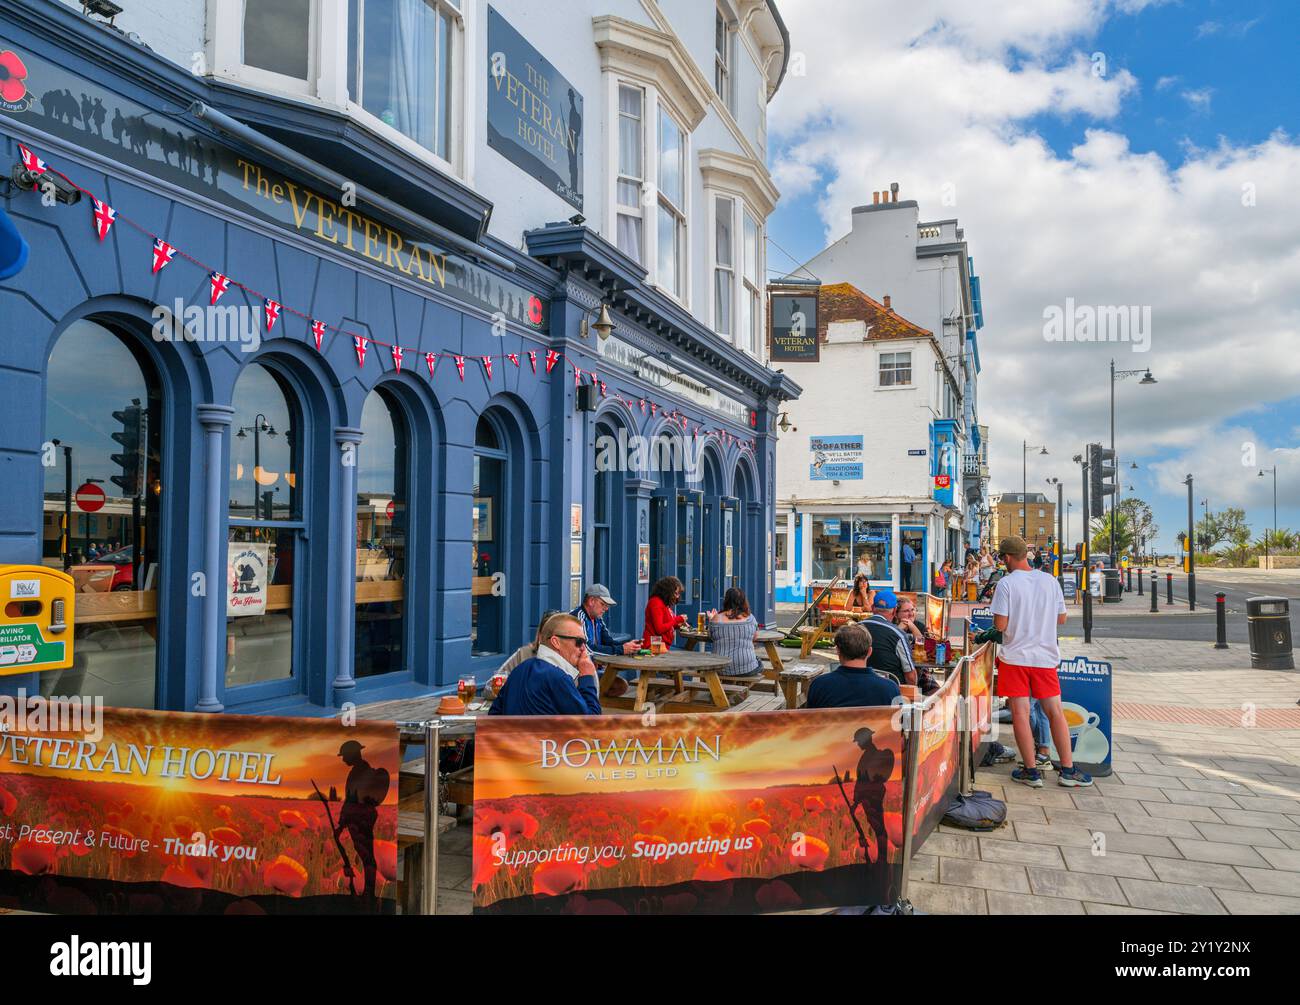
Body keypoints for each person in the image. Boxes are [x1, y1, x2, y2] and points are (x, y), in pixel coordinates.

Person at [989, 535, 1092, 788]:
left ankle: (1031, 772)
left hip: (1015, 658)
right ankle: (1068, 770)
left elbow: (1000, 625)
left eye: (1003, 558)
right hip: (1045, 657)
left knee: (1021, 714)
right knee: (1055, 712)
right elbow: (1062, 618)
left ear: (1008, 558)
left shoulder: (1006, 584)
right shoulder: (1050, 581)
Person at [489, 613, 603, 716]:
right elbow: (592, 723)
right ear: (556, 642)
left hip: (510, 739)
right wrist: (587, 676)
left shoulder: (520, 669)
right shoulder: (558, 678)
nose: (584, 648)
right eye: (579, 642)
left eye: (585, 642)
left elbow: (494, 715)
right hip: (545, 739)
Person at [806, 623, 901, 709]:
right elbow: (900, 724)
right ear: (870, 652)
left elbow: (809, 724)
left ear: (838, 650)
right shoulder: (890, 689)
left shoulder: (819, 685)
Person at [862, 590, 917, 686]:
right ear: (895, 610)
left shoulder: (855, 628)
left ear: (872, 608)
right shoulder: (898, 634)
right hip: (891, 690)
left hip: (859, 687)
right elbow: (911, 676)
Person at [572, 584, 640, 656]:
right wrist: (621, 649)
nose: (606, 609)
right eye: (603, 604)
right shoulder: (578, 618)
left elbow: (608, 641)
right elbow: (587, 649)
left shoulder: (597, 618)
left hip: (596, 664)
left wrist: (629, 646)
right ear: (591, 601)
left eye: (607, 605)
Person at [709, 587, 760, 676]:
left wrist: (711, 619)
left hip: (720, 668)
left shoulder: (716, 618)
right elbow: (755, 637)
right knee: (758, 662)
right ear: (744, 601)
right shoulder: (750, 618)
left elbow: (711, 637)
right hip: (746, 668)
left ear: (726, 600)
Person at [495, 609, 561, 677]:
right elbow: (493, 683)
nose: (554, 642)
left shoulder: (569, 660)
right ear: (540, 636)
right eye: (548, 636)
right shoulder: (524, 654)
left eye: (558, 637)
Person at [643, 575, 689, 649]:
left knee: (687, 652)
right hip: (653, 646)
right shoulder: (656, 603)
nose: (677, 597)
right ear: (667, 591)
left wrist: (679, 625)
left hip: (662, 645)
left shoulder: (664, 603)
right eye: (675, 593)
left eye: (678, 594)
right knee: (686, 654)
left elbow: (668, 623)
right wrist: (677, 620)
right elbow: (659, 629)